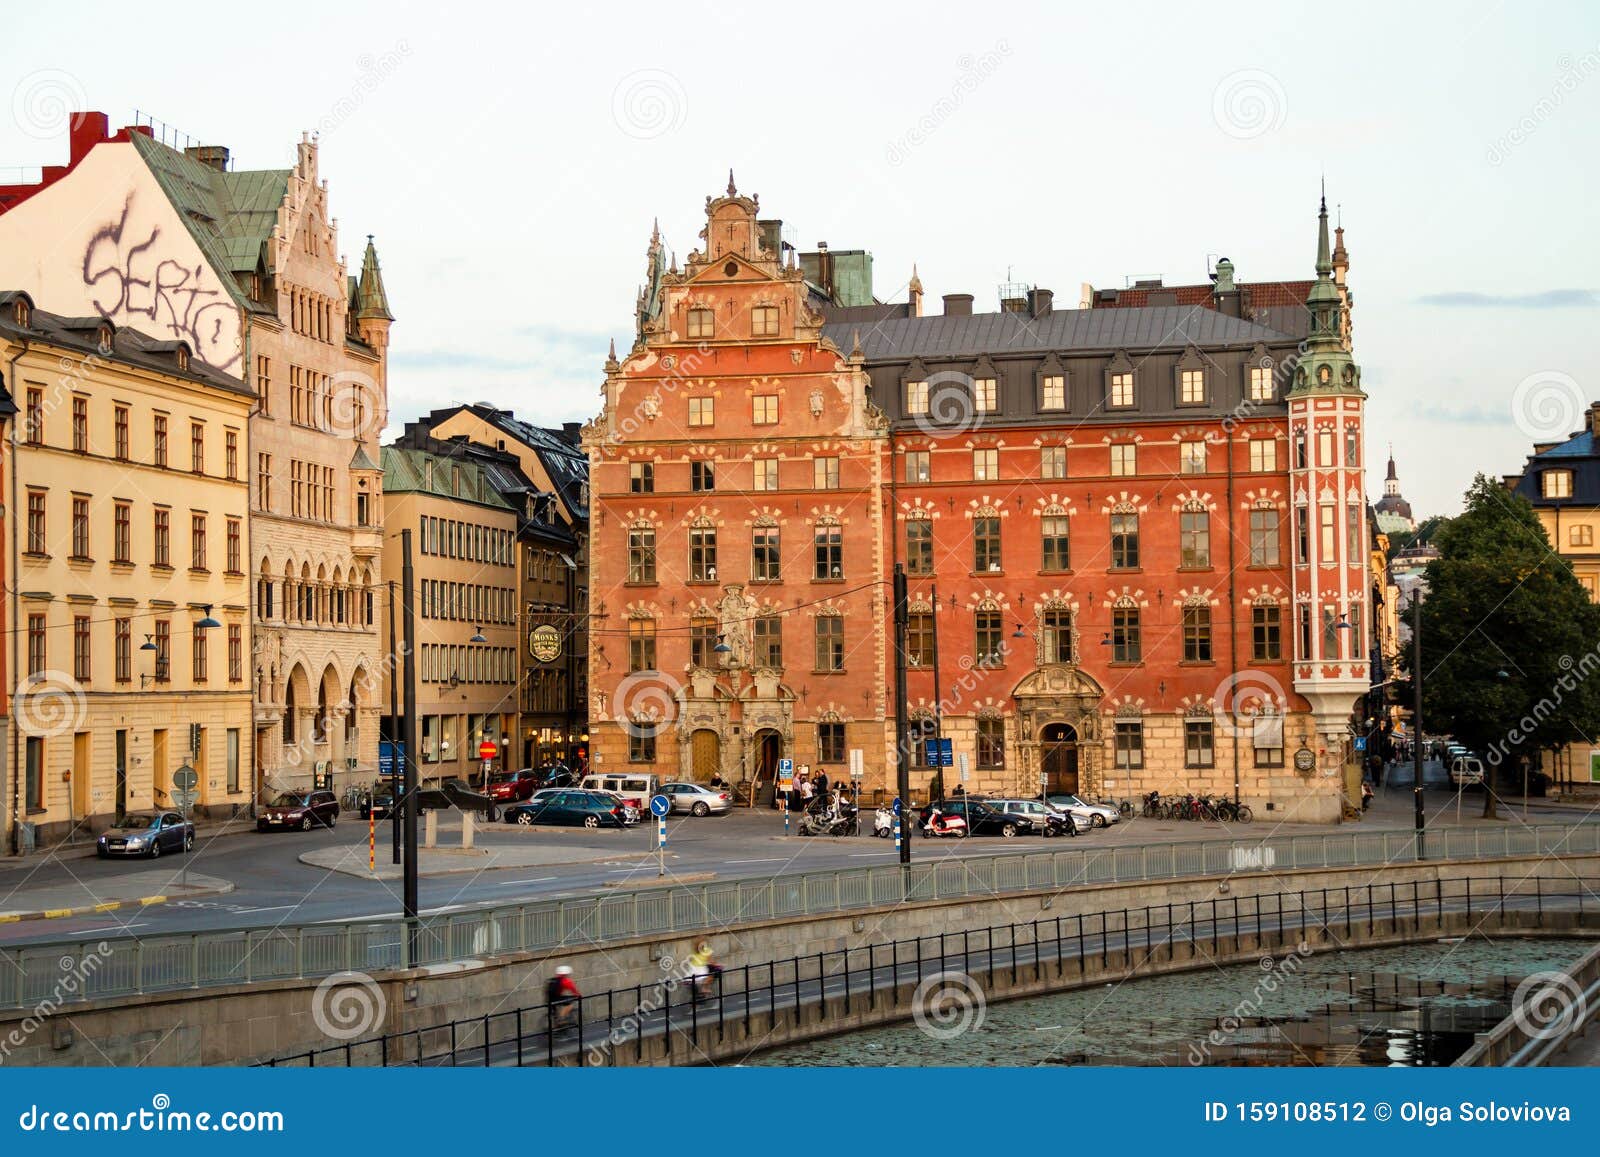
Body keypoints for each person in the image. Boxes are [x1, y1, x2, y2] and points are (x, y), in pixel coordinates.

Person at [547, 965, 580, 1031]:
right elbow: (573, 990)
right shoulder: (566, 981)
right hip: (556, 998)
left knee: (556, 1012)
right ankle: (561, 1019)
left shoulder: (554, 980)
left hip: (550, 998)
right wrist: (578, 995)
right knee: (569, 1004)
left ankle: (557, 1025)